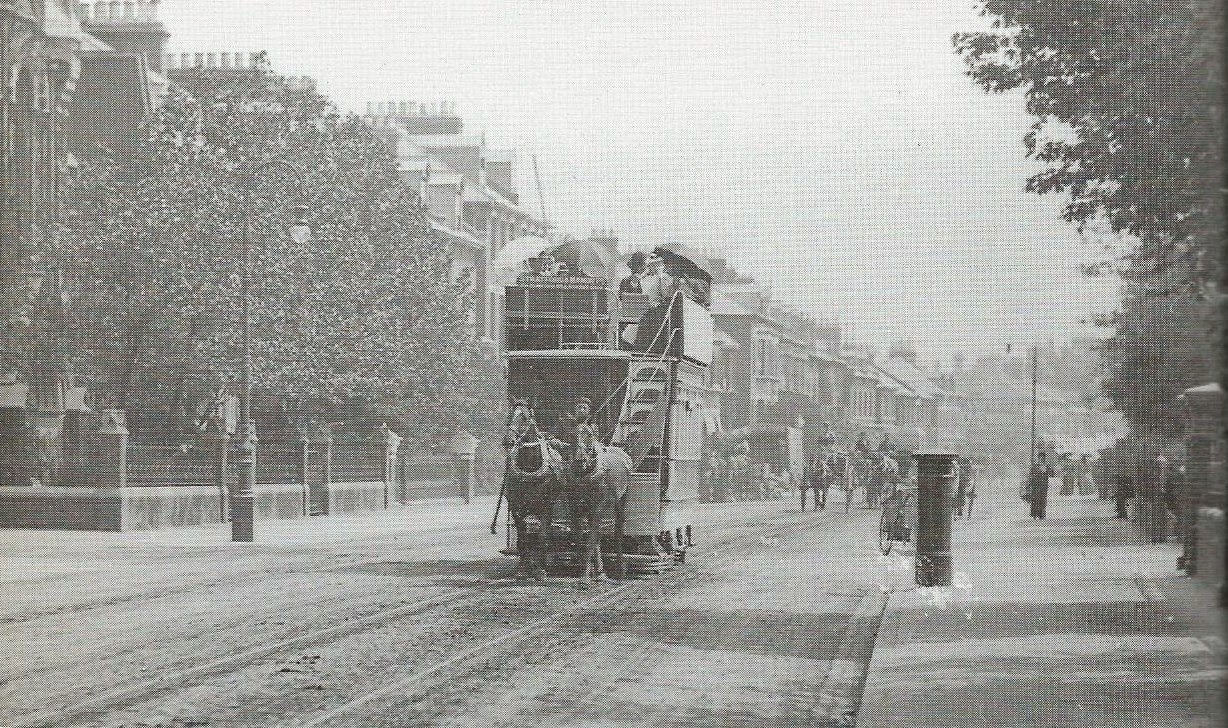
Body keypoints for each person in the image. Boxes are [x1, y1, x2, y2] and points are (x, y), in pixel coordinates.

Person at [1029, 452, 1054, 519]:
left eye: (1043, 458)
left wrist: (1048, 470)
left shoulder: (1047, 465)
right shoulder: (1035, 465)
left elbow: (1052, 474)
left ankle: (1041, 514)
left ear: (1044, 458)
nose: (1042, 459)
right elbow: (1031, 474)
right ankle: (1034, 514)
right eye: (1040, 457)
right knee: (1035, 500)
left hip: (1043, 486)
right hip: (1036, 485)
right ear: (1038, 458)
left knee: (1042, 500)